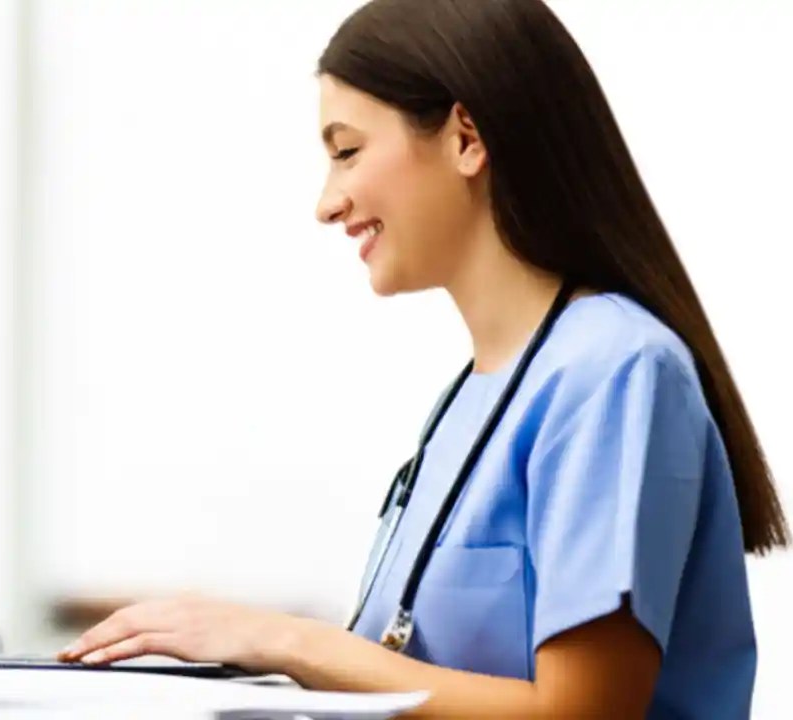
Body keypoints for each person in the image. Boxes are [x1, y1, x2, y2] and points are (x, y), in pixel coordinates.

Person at [56, 0, 788, 717]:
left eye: (347, 151)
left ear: (466, 137)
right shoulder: (472, 397)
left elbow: (584, 712)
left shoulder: (616, 371)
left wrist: (285, 640)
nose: (327, 202)